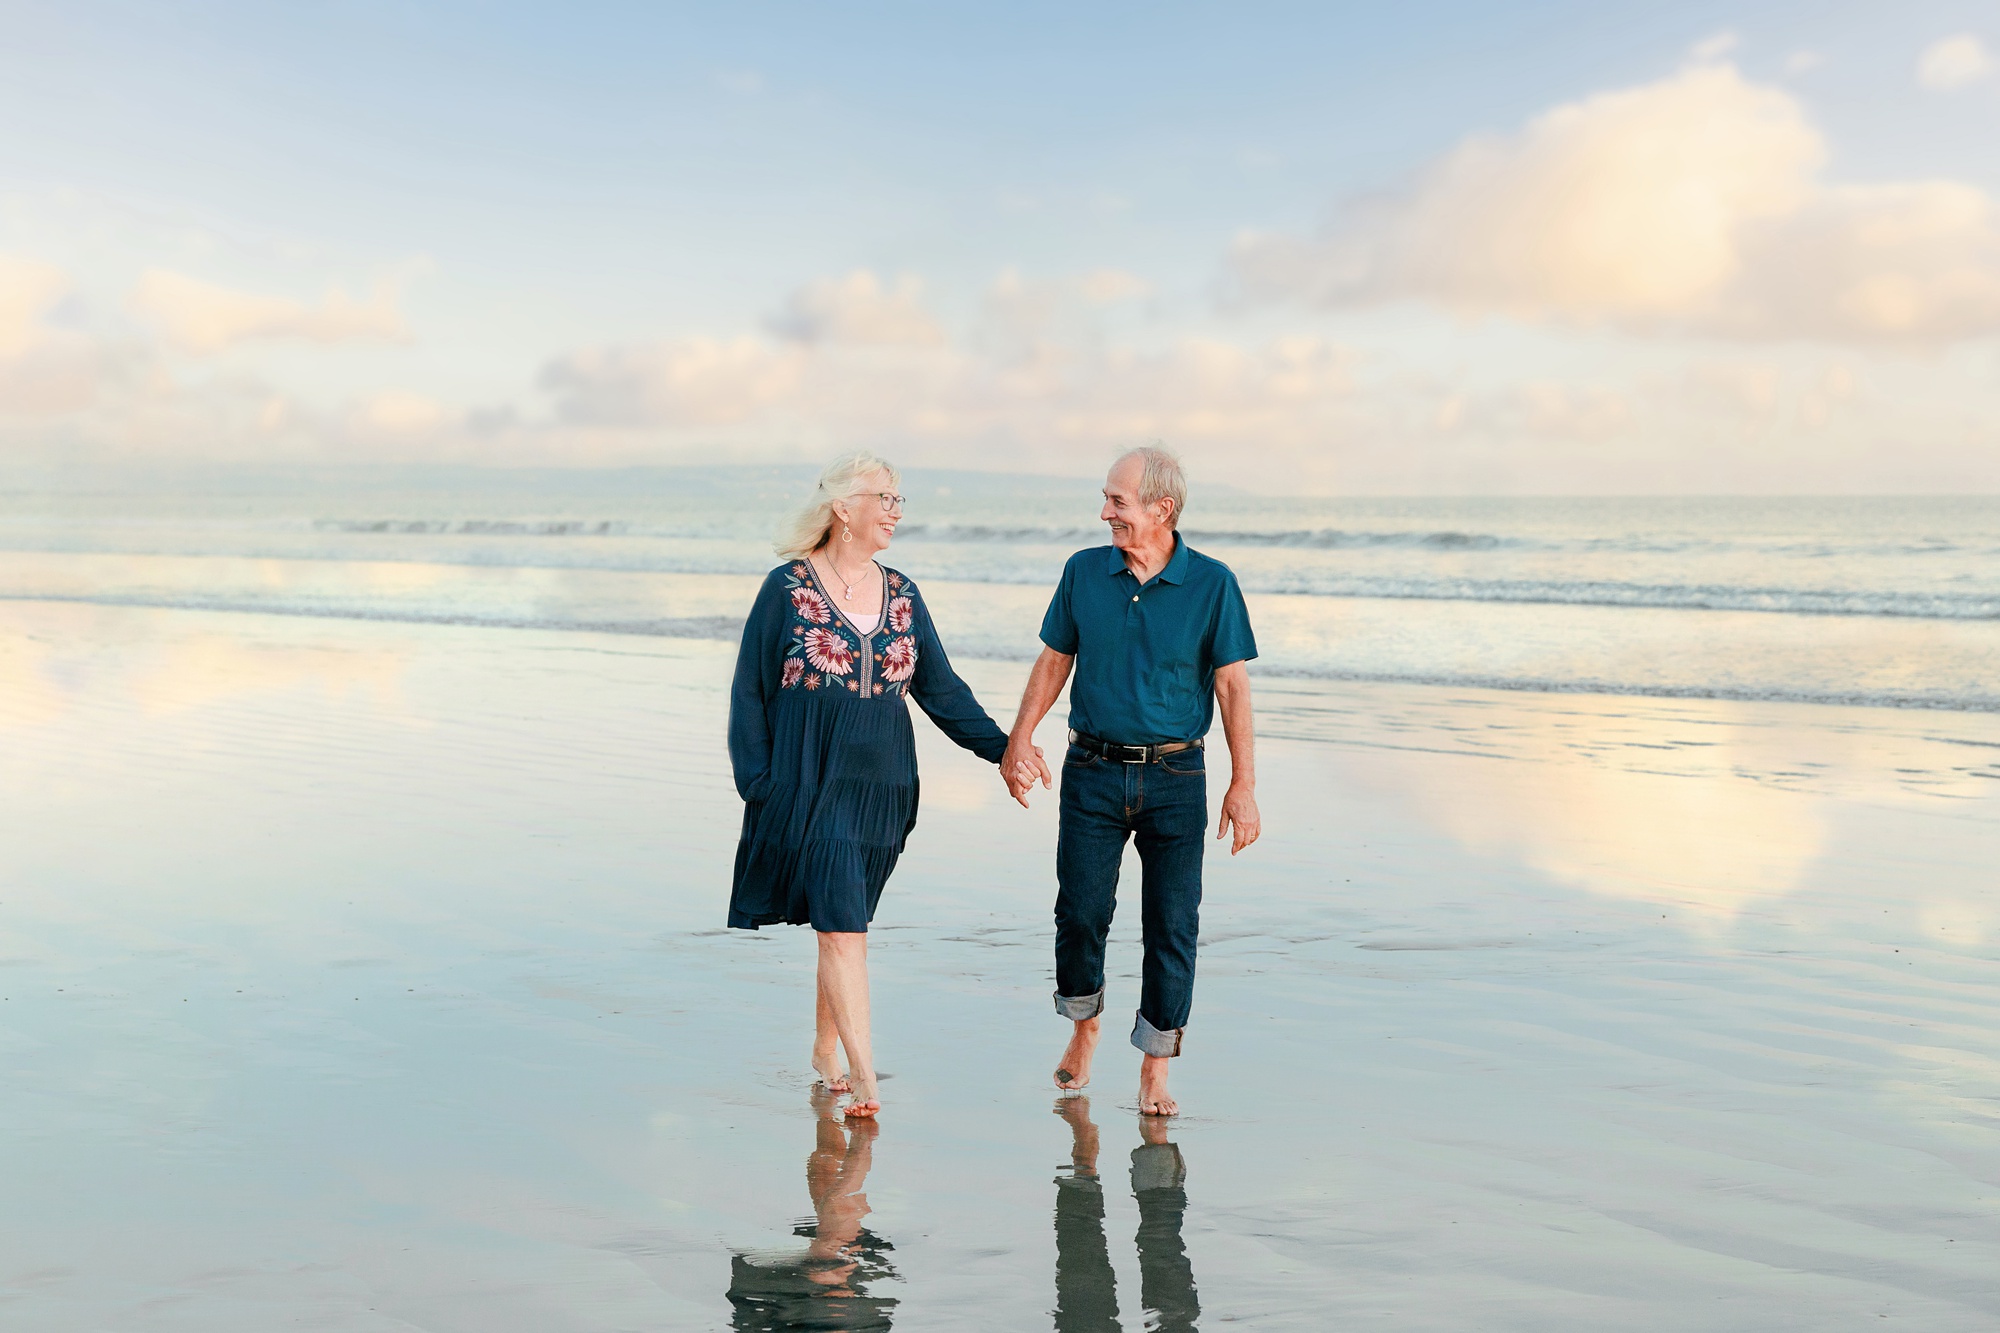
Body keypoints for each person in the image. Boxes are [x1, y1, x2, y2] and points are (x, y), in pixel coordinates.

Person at [729, 450, 1011, 1118]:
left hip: (883, 785)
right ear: (843, 508)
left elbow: (941, 690)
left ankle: (825, 1048)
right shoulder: (786, 588)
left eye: (897, 499)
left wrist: (1004, 750)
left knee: (844, 920)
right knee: (842, 929)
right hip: (809, 778)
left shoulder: (904, 593)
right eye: (884, 497)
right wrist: (759, 783)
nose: (895, 511)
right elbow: (749, 691)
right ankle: (863, 1074)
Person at [1004, 446, 1260, 1117]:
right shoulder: (1084, 571)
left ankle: (1155, 1067)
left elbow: (1233, 687)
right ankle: (1084, 1023)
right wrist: (1020, 736)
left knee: (1172, 924)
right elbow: (1055, 659)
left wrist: (1243, 784)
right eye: (1108, 499)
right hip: (1091, 771)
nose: (1105, 513)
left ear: (1161, 508)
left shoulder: (1213, 584)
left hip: (1177, 777)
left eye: (1117, 501)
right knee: (1080, 913)